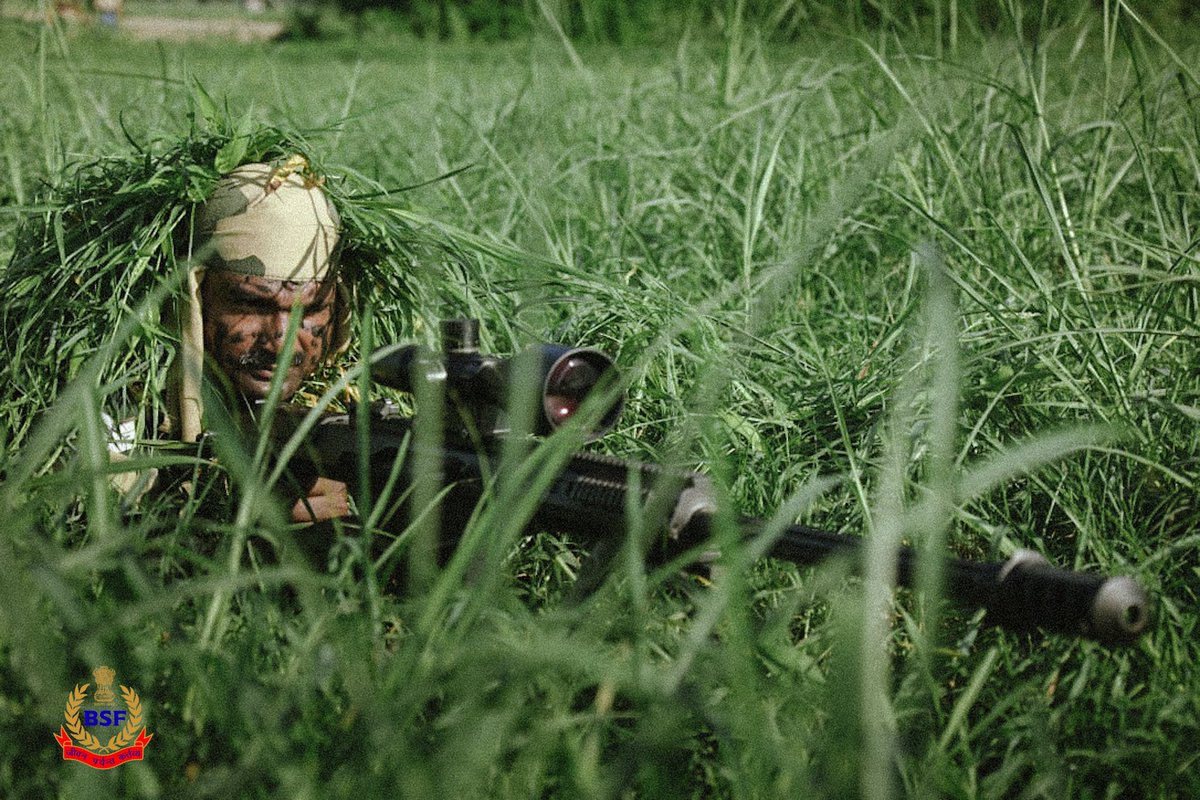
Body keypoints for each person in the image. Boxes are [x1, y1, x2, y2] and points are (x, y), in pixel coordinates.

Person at [171, 159, 351, 523]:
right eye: (251, 304)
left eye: (311, 308)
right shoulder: (128, 402)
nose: (280, 342)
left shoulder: (348, 402)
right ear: (197, 296)